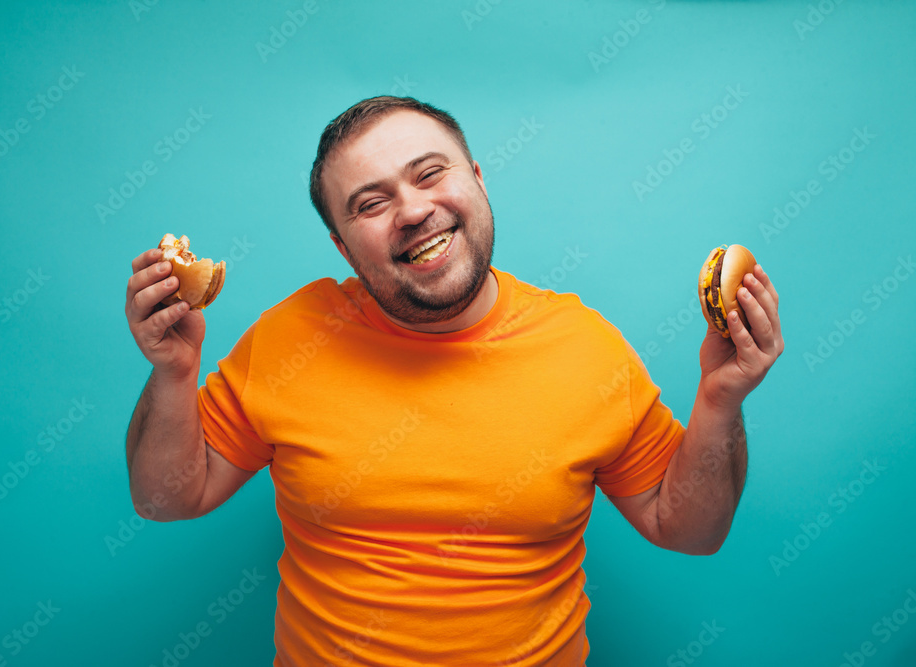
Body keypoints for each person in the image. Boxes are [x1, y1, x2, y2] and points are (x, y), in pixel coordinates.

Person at [124, 96, 783, 666]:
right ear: (343, 247)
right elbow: (164, 498)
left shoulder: (584, 347)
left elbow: (691, 530)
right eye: (371, 203)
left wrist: (721, 400)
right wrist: (174, 372)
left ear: (477, 180)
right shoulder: (292, 337)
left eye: (430, 173)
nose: (412, 210)